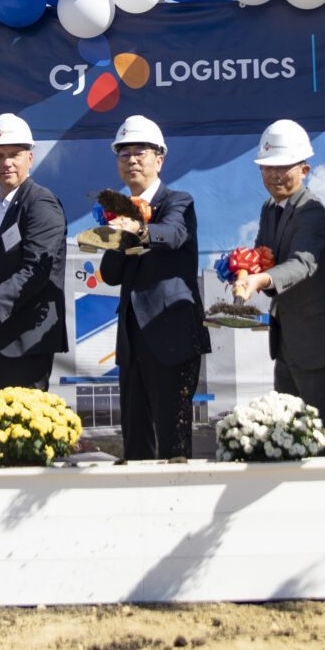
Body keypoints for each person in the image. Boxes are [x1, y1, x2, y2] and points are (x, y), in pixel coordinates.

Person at [231, 119, 325, 452]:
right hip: (288, 344)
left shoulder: (312, 211)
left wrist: (260, 279)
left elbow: (302, 263)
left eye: (283, 167)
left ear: (305, 169)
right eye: (267, 167)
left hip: (320, 344)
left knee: (316, 444)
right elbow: (263, 254)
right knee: (287, 441)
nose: (274, 175)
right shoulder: (269, 208)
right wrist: (244, 271)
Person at [97, 114, 204, 460]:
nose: (132, 161)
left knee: (173, 445)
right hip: (131, 343)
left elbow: (171, 234)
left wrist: (139, 229)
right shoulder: (117, 211)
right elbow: (111, 274)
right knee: (137, 444)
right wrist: (117, 231)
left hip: (171, 336)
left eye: (139, 152)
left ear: (159, 159)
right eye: (124, 154)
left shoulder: (178, 201)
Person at [0, 112, 68, 405]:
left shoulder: (40, 203)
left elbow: (37, 270)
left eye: (14, 155)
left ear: (30, 159)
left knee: (18, 442)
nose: (6, 163)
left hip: (24, 346)